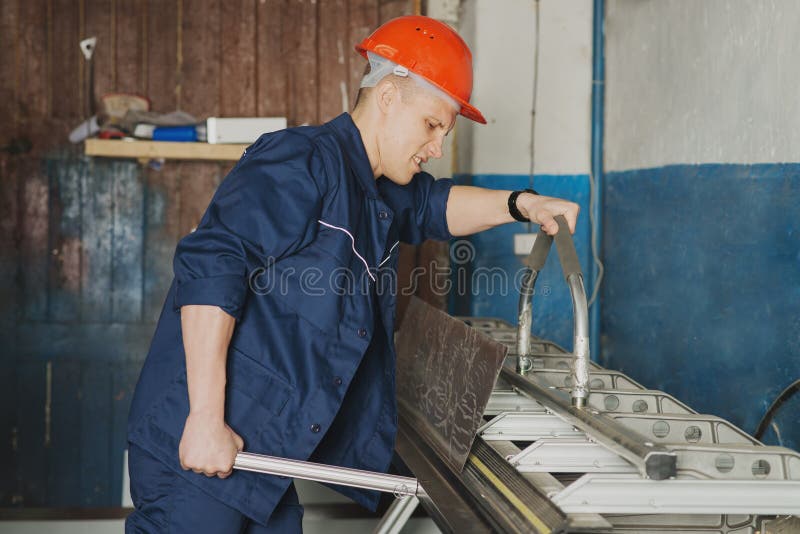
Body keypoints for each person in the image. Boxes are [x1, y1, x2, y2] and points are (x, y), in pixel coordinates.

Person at [125, 14, 579, 533]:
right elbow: (211, 270)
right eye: (433, 125)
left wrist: (525, 204)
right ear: (388, 97)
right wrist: (204, 418)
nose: (437, 146)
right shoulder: (300, 161)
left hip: (263, 461)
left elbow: (436, 204)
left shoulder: (376, 188)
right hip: (203, 451)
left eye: (445, 133)